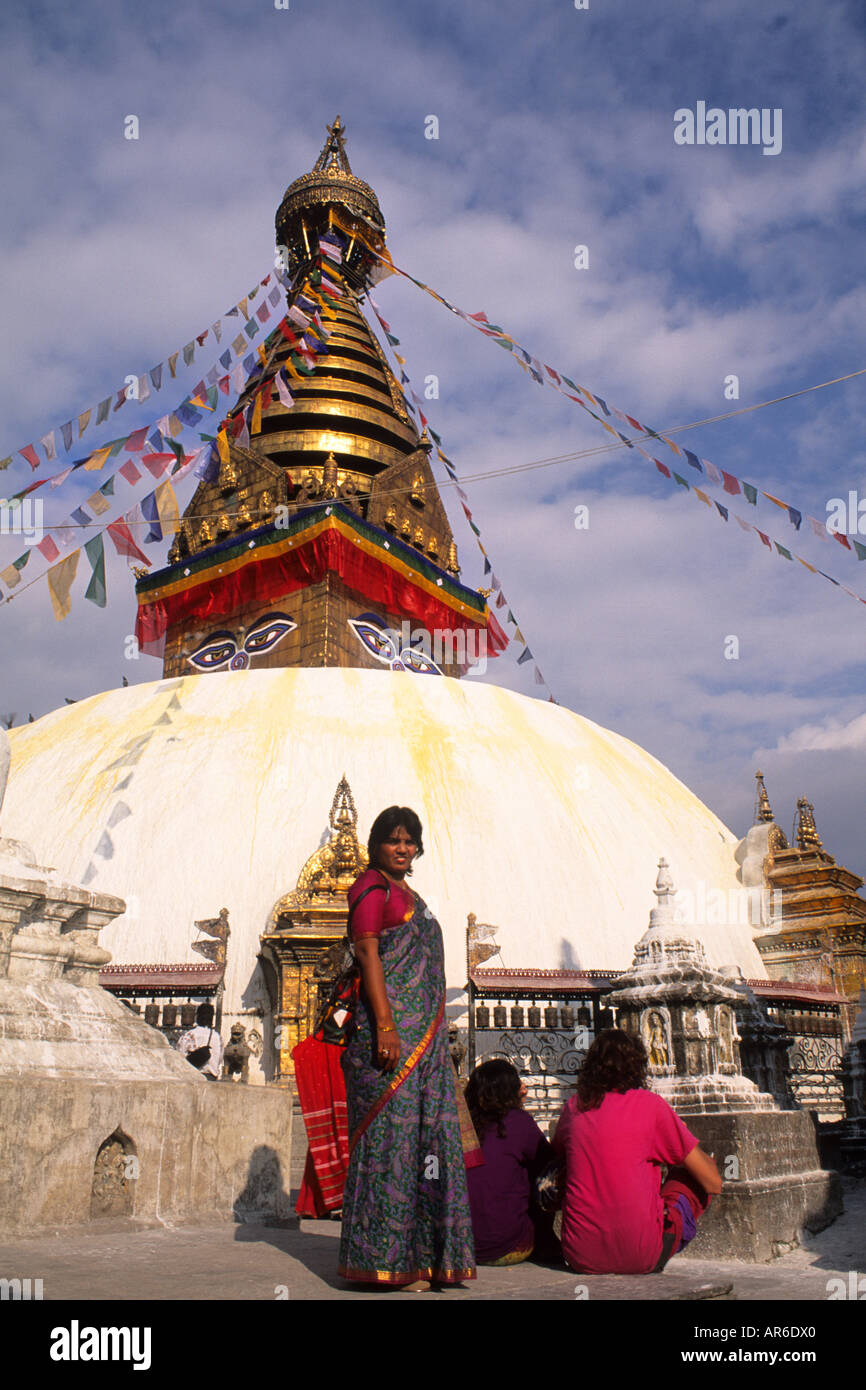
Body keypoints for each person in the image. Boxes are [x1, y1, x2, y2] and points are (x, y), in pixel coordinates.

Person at [338, 806, 479, 1289]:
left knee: (426, 1145)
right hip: (390, 1041)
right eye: (393, 840)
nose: (402, 848)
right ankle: (383, 1264)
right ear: (376, 844)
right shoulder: (371, 888)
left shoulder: (410, 895)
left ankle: (425, 1259)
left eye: (410, 841)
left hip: (425, 1042)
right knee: (390, 1148)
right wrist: (384, 1024)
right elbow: (366, 950)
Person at [553, 1029, 722, 1275]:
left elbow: (557, 1156)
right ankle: (657, 1238)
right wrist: (683, 1141)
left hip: (580, 1256)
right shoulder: (651, 1106)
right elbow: (713, 1182)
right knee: (691, 1179)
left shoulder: (574, 1107)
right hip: (641, 1257)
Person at [464, 1059, 560, 1265]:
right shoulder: (518, 1122)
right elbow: (549, 1161)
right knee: (547, 1174)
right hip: (509, 1246)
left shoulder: (462, 1124)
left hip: (463, 1247)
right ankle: (547, 1244)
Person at [176, 1002, 223, 1081]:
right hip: (212, 1080)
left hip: (193, 1079)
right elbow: (220, 1059)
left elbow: (179, 1057)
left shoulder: (189, 1035)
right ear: (212, 1018)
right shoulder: (218, 1037)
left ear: (197, 1016)